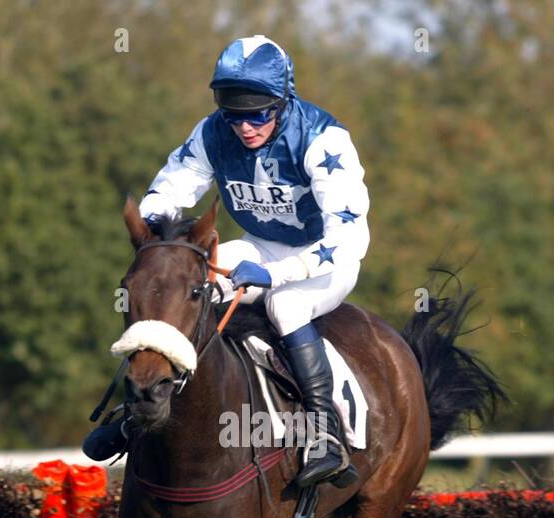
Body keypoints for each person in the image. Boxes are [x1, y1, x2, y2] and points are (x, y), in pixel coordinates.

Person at [85, 34, 370, 488]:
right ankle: (139, 411)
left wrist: (278, 275)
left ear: (283, 100)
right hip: (262, 244)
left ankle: (324, 434)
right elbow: (172, 186)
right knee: (186, 286)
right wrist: (156, 232)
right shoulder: (212, 132)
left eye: (259, 113)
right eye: (234, 114)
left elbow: (347, 238)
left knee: (286, 305)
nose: (245, 127)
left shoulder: (323, 140)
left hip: (326, 259)